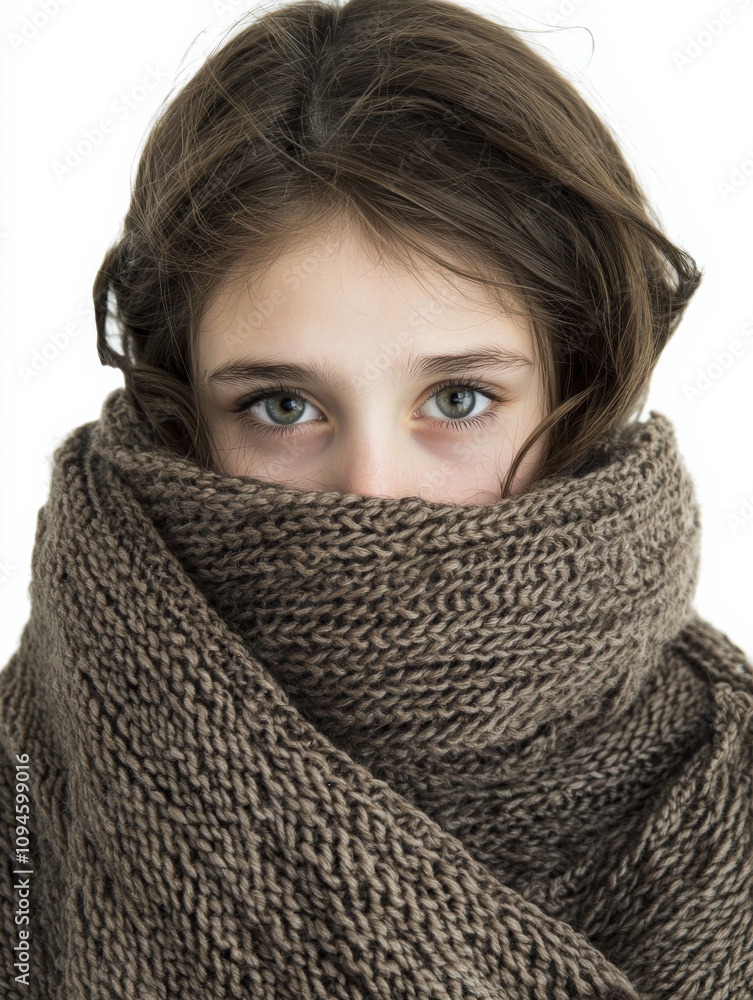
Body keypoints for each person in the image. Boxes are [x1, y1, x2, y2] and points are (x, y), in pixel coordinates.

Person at [1, 1, 751, 997]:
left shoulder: (723, 787)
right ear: (183, 415)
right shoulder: (27, 778)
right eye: (282, 404)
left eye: (457, 399)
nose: (373, 492)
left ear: (579, 391)